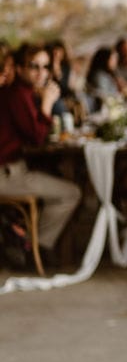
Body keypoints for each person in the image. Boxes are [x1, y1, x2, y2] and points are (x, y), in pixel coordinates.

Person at [0, 43, 83, 265]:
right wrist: (46, 104)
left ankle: (26, 240)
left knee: (56, 178)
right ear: (19, 68)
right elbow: (36, 137)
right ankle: (34, 247)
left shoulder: (23, 92)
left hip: (14, 169)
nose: (41, 73)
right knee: (71, 192)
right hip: (6, 175)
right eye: (33, 66)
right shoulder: (17, 94)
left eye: (45, 67)